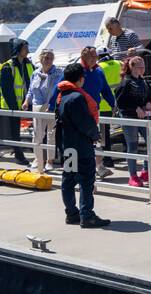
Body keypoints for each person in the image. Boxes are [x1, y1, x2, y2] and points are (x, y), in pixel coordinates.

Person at [54, 62, 110, 229]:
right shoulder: (77, 98)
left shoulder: (61, 96)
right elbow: (84, 123)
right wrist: (95, 134)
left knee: (69, 179)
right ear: (80, 79)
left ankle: (72, 213)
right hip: (81, 147)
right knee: (86, 179)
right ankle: (87, 215)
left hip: (68, 146)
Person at [49, 47, 118, 178]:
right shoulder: (75, 71)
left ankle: (98, 167)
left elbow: (105, 89)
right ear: (83, 57)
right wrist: (52, 105)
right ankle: (74, 174)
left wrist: (113, 104)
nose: (93, 59)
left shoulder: (98, 71)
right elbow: (59, 86)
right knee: (78, 144)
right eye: (90, 57)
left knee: (97, 141)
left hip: (94, 113)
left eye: (95, 56)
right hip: (77, 115)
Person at [114, 55, 151, 187]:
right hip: (129, 118)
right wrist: (135, 108)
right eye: (139, 66)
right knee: (132, 145)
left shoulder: (143, 81)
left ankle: (146, 170)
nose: (142, 69)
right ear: (131, 68)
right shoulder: (125, 82)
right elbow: (120, 101)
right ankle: (132, 175)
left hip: (143, 118)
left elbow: (150, 95)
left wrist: (149, 103)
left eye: (143, 66)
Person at [23, 49, 62, 173]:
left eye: (50, 58)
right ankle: (38, 158)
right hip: (37, 105)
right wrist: (26, 101)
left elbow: (57, 89)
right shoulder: (35, 73)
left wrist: (51, 104)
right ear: (40, 59)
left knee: (51, 134)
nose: (48, 60)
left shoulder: (58, 73)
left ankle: (50, 160)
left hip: (51, 106)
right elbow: (30, 89)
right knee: (37, 134)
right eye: (45, 58)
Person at [0, 39, 33, 165]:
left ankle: (35, 152)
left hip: (27, 103)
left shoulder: (29, 64)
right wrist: (15, 108)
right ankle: (18, 154)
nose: (28, 50)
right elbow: (7, 90)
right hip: (12, 105)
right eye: (25, 48)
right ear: (18, 50)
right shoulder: (7, 66)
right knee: (14, 131)